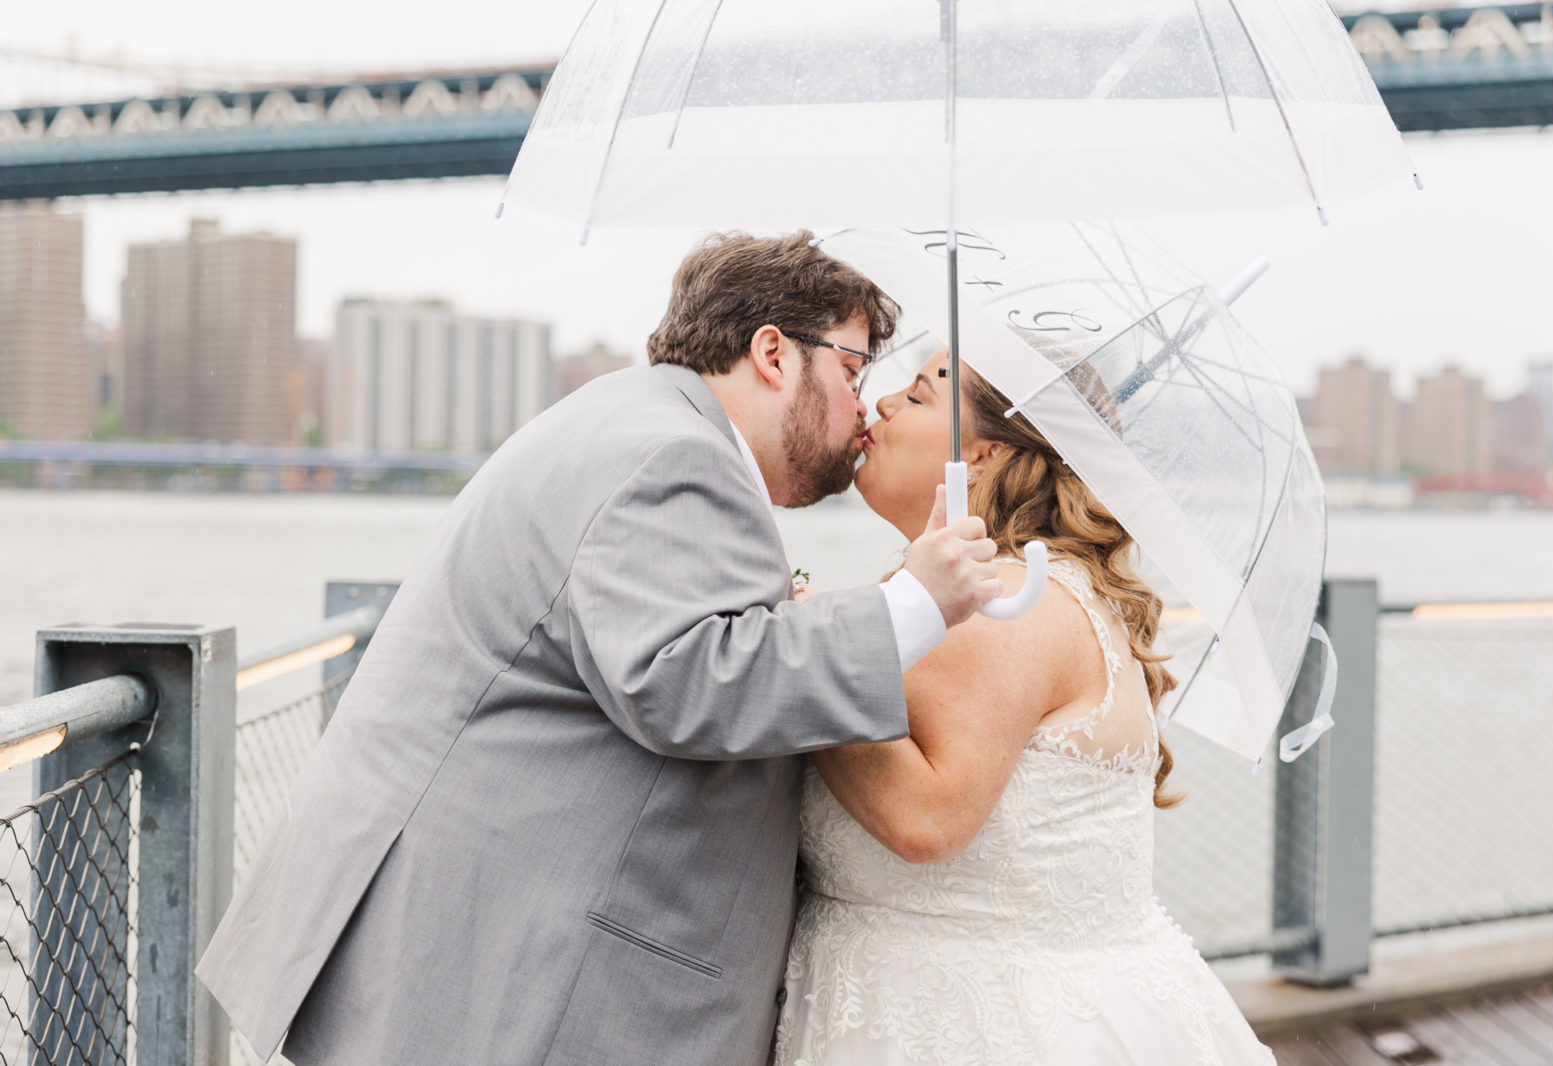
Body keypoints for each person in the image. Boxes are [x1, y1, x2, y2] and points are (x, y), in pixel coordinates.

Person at [196, 232, 1004, 1066]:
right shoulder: (672, 457)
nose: (863, 405)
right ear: (773, 354)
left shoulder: (633, 421)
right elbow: (687, 680)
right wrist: (911, 606)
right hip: (501, 973)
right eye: (852, 369)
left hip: (463, 941)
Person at [773, 351, 1276, 1065]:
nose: (881, 405)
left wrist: (800, 648)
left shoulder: (998, 603)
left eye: (917, 397)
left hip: (963, 1026)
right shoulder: (1033, 589)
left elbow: (927, 818)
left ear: (982, 454)